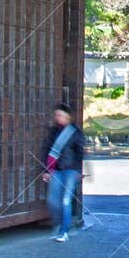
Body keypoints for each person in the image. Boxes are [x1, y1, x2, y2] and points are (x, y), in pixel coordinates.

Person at [38, 104, 85, 242]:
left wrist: (79, 171)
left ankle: (64, 231)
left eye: (61, 115)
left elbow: (79, 153)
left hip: (70, 170)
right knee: (53, 200)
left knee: (65, 200)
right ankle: (58, 225)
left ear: (68, 116)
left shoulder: (75, 132)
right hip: (56, 170)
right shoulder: (53, 132)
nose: (58, 118)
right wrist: (45, 170)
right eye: (56, 115)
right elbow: (46, 150)